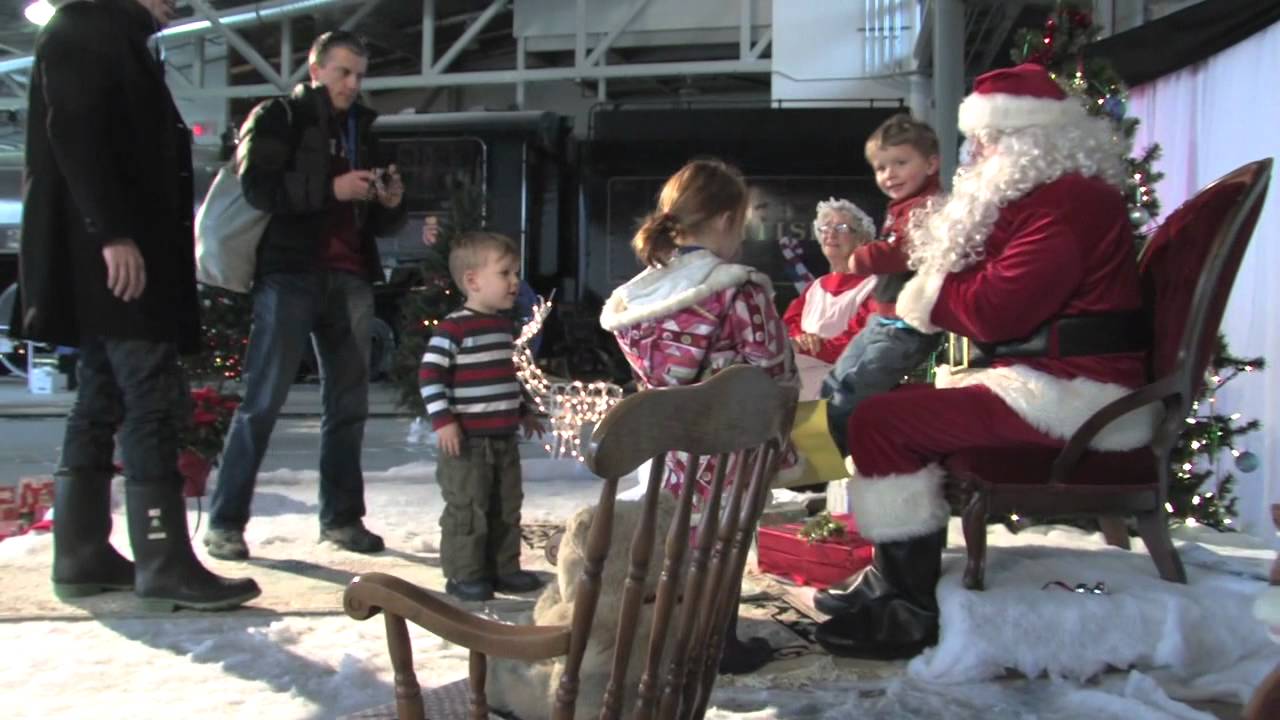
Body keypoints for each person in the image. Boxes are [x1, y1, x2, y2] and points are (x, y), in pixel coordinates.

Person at [814, 63, 1158, 660]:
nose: (977, 154)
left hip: (1076, 394)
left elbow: (997, 310)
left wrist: (931, 290)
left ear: (1030, 139)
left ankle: (908, 609)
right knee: (886, 410)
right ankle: (891, 578)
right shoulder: (1055, 195)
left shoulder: (1063, 203)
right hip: (1052, 378)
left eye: (988, 140)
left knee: (880, 421)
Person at [15, 0, 259, 610]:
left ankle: (81, 554)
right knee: (150, 397)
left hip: (112, 255)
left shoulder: (106, 32)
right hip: (118, 258)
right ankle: (163, 562)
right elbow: (75, 133)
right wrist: (113, 233)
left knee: (100, 395)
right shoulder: (87, 27)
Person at [205, 31, 408, 560]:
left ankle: (341, 518)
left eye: (359, 75)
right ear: (314, 70)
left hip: (350, 274)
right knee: (263, 401)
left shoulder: (363, 128)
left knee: (348, 406)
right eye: (343, 72)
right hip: (290, 272)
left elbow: (379, 219)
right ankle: (225, 522)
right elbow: (258, 188)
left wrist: (390, 203)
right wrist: (333, 190)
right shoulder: (279, 116)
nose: (352, 84)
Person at [599, 158, 799, 674]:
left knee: (676, 541)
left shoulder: (639, 295)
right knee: (721, 542)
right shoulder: (738, 287)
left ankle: (674, 636)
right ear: (728, 218)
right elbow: (768, 372)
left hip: (667, 446)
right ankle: (718, 643)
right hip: (727, 445)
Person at [419, 231, 545, 601]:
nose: (514, 281)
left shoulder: (504, 328)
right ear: (473, 281)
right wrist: (444, 421)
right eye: (505, 273)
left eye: (516, 272)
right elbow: (430, 374)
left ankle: (504, 568)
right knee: (469, 509)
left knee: (506, 506)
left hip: (504, 439)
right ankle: (465, 573)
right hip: (468, 444)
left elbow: (506, 376)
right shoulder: (454, 328)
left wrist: (523, 411)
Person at [819, 114, 944, 462]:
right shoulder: (903, 207)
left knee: (853, 391)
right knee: (835, 382)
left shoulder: (928, 208)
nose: (889, 174)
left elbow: (906, 250)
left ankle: (828, 461)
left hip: (906, 328)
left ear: (931, 163)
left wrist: (865, 257)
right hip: (883, 321)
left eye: (901, 163)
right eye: (881, 167)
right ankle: (816, 458)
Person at [781, 198, 877, 400]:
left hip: (843, 388)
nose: (831, 234)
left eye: (841, 228)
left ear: (861, 239)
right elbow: (789, 325)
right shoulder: (813, 288)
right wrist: (800, 339)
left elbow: (862, 340)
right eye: (825, 228)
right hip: (797, 380)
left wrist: (811, 347)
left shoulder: (874, 286)